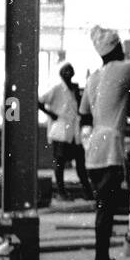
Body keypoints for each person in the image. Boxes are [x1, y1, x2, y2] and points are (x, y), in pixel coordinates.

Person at [80, 27, 130, 260]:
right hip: (111, 149)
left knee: (103, 207)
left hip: (93, 149)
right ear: (117, 48)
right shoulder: (127, 69)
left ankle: (101, 258)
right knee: (106, 209)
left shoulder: (92, 78)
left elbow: (84, 115)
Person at [40, 63, 91, 199]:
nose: (69, 74)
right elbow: (39, 101)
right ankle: (61, 192)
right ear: (61, 74)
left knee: (80, 162)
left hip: (74, 132)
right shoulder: (56, 89)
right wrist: (51, 114)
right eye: (66, 71)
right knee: (60, 163)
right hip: (61, 132)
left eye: (70, 71)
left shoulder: (74, 89)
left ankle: (87, 190)